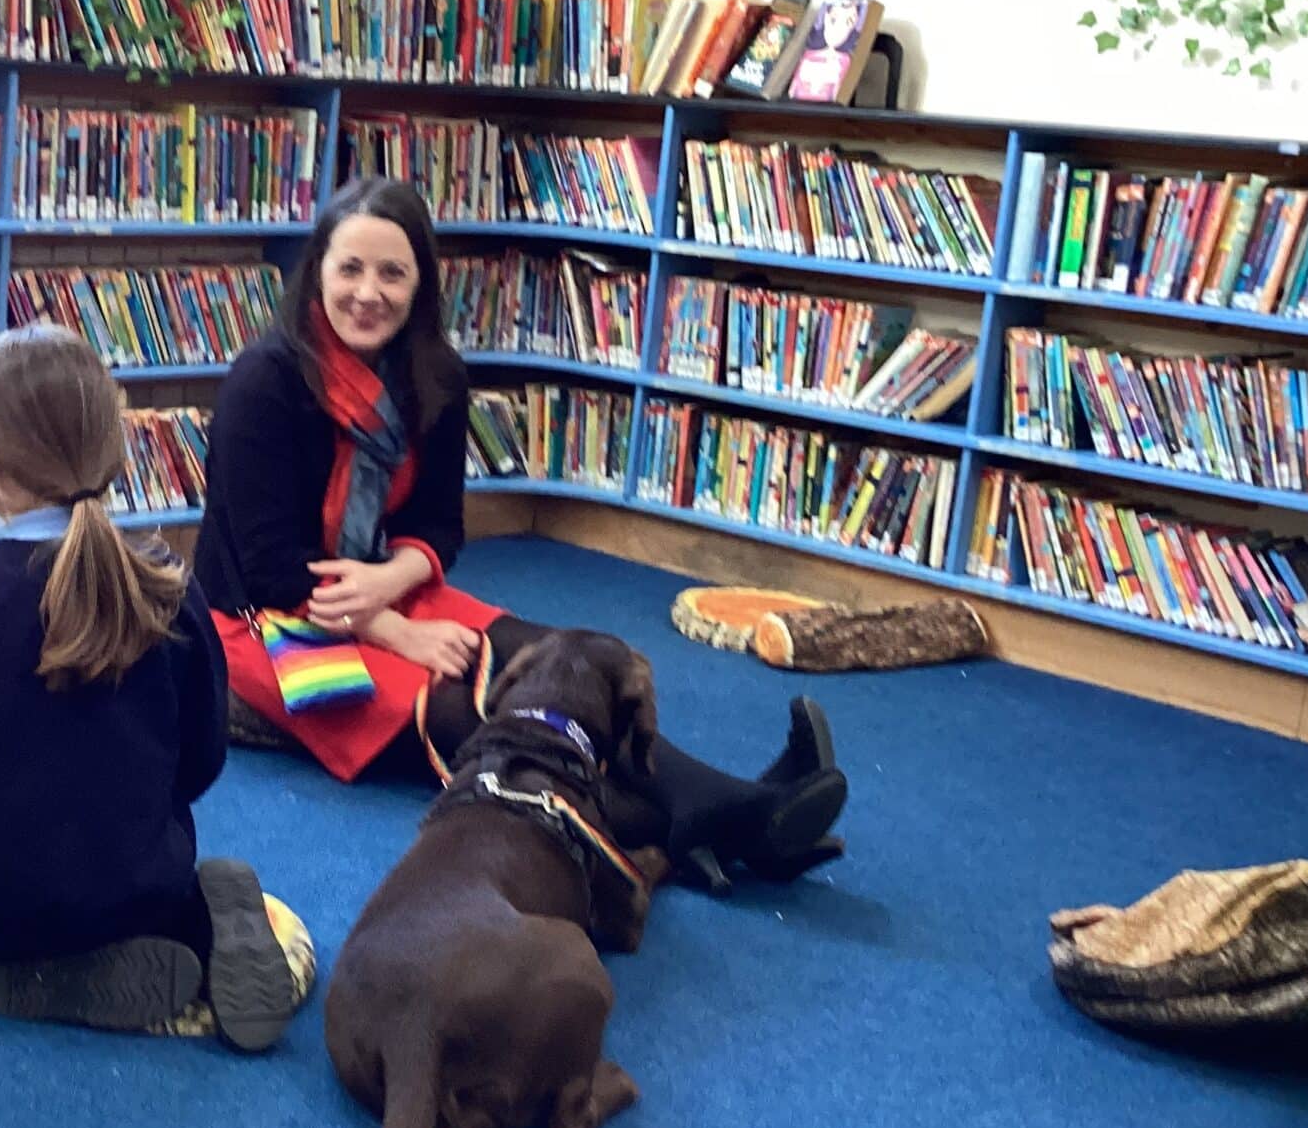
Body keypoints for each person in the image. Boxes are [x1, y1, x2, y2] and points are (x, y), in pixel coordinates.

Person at [192, 174, 850, 890]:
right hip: (267, 620)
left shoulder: (433, 373)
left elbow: (439, 526)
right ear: (317, 270)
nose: (368, 292)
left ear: (421, 284)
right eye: (349, 268)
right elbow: (270, 570)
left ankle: (724, 810)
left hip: (383, 584)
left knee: (561, 664)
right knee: (480, 717)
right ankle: (732, 820)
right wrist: (396, 633)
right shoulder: (266, 382)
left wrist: (391, 580)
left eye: (392, 272)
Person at [0, 327, 310, 1050]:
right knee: (130, 871)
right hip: (140, 886)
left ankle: (43, 969)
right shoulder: (168, 583)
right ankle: (199, 916)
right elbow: (203, 755)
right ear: (111, 445)